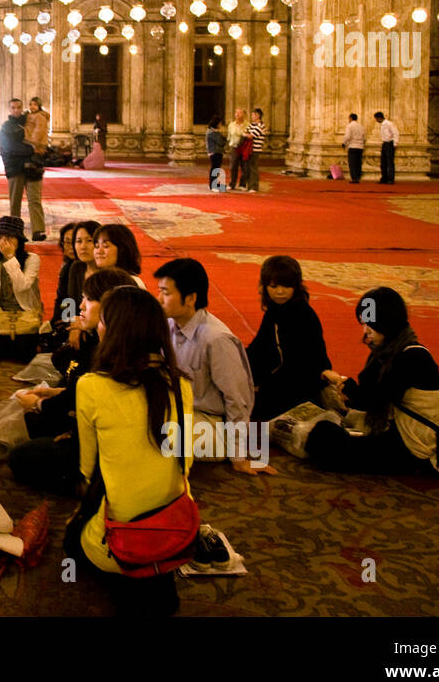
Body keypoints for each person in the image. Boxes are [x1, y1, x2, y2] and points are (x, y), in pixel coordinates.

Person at [64, 285, 195, 617]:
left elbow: (87, 470)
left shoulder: (92, 386)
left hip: (114, 538)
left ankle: (128, 568)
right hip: (178, 529)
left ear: (113, 329)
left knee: (72, 540)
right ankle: (153, 570)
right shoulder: (181, 386)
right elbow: (185, 461)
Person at [9, 267, 137, 496]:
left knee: (20, 457)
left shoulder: (110, 358)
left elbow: (90, 404)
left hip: (106, 452)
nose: (80, 306)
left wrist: (40, 405)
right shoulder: (110, 342)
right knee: (35, 423)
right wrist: (55, 395)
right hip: (102, 439)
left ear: (111, 304)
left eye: (88, 299)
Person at [308, 288, 439, 476]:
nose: (365, 331)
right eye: (363, 324)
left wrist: (344, 384)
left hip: (413, 444)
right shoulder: (390, 349)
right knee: (323, 416)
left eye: (370, 325)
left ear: (386, 322)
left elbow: (373, 400)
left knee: (323, 439)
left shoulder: (412, 357)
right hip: (395, 425)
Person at [153, 257, 275, 476]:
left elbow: (237, 399)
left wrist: (239, 455)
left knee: (155, 436)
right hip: (179, 411)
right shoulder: (168, 325)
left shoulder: (216, 339)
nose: (159, 298)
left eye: (166, 292)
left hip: (211, 424)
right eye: (159, 291)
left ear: (190, 298)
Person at [247, 255, 332, 421]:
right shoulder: (275, 311)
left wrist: (260, 385)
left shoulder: (303, 316)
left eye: (287, 286)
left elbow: (300, 366)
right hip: (281, 380)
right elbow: (260, 348)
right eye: (273, 286)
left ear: (296, 286)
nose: (280, 291)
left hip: (301, 387)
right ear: (264, 287)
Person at [0, 215, 42, 363]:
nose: (3, 242)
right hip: (0, 316)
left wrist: (11, 258)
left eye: (10, 238)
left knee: (25, 355)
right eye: (0, 237)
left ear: (19, 241)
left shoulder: (32, 259)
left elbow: (22, 286)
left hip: (26, 316)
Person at [0, 98, 46, 241]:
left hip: (33, 167)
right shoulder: (6, 127)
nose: (16, 110)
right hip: (15, 168)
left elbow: (41, 135)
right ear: (10, 109)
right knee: (15, 202)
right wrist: (32, 149)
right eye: (13, 108)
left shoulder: (30, 121)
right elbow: (10, 148)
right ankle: (15, 232)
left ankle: (38, 231)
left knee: (35, 199)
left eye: (19, 107)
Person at [49, 223, 78, 326]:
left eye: (76, 241)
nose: (72, 247)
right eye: (67, 242)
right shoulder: (67, 267)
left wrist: (72, 323)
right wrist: (58, 320)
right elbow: (64, 298)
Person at [374, 111, 399, 184]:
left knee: (390, 162)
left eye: (376, 119)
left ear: (379, 118)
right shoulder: (383, 125)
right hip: (385, 143)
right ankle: (384, 178)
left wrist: (395, 143)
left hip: (390, 143)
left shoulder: (389, 124)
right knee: (383, 162)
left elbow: (396, 132)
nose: (376, 120)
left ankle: (391, 179)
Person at [225, 108, 247, 190]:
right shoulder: (231, 125)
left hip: (244, 147)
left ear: (244, 115)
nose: (237, 114)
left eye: (240, 113)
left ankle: (243, 184)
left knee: (244, 166)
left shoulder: (248, 125)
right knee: (233, 166)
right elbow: (229, 136)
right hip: (234, 147)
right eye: (236, 112)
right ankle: (232, 184)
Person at [342, 113, 365, 184]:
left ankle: (354, 178)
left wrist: (344, 143)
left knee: (352, 163)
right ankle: (358, 177)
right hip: (360, 147)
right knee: (358, 163)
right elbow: (364, 137)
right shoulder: (361, 126)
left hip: (352, 146)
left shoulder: (350, 126)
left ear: (351, 118)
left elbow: (347, 136)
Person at [206, 115, 226, 191]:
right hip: (215, 153)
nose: (220, 125)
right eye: (220, 123)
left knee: (216, 169)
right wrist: (223, 139)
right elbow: (221, 142)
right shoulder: (212, 132)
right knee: (215, 169)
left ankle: (214, 184)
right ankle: (213, 186)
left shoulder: (213, 132)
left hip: (216, 152)